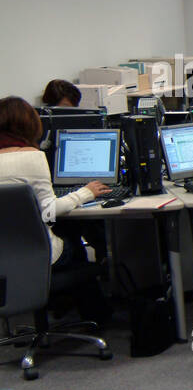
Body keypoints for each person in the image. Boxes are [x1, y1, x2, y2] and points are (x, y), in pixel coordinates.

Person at [0, 96, 113, 325]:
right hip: (41, 257)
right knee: (74, 235)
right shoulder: (31, 157)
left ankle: (61, 304)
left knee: (66, 228)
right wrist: (85, 193)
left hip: (4, 258)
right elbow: (49, 211)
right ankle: (97, 314)